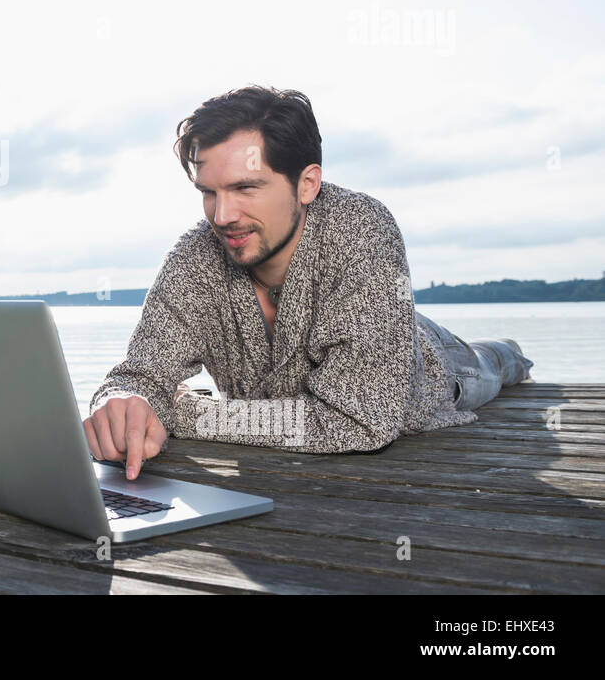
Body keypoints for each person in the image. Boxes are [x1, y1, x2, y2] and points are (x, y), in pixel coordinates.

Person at [83, 85, 534, 480]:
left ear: (307, 184)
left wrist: (187, 413)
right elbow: (139, 374)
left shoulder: (362, 230)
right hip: (356, 343)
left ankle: (508, 350)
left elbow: (359, 422)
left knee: (493, 363)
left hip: (436, 366)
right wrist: (125, 402)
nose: (222, 216)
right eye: (208, 192)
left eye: (245, 188)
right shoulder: (193, 256)